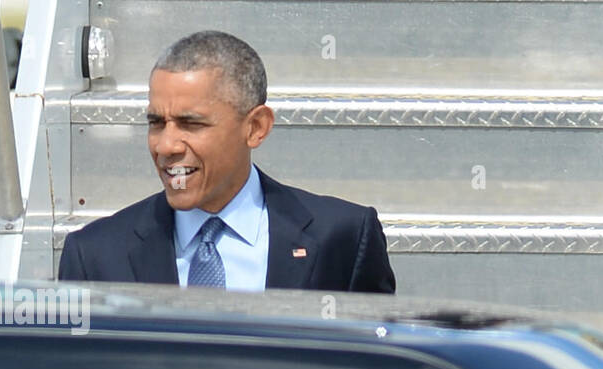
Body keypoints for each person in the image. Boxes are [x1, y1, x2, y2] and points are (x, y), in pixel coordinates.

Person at [57, 30, 395, 293]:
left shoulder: (342, 238)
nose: (166, 145)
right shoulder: (94, 255)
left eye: (191, 124)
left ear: (255, 128)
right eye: (156, 123)